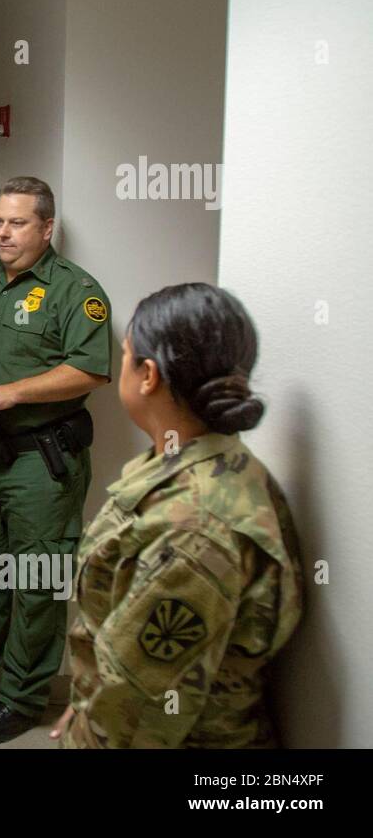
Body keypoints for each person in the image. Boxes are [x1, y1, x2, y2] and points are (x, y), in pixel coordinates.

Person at [49, 283, 303, 748]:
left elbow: (137, 709)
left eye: (125, 355)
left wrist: (91, 724)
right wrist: (86, 700)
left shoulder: (194, 528)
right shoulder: (193, 463)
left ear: (147, 375)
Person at [0, 175, 112, 744]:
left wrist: (13, 393)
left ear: (47, 227)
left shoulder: (74, 291)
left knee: (36, 580)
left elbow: (93, 369)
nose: (4, 233)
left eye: (18, 223)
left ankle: (22, 697)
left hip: (40, 461)